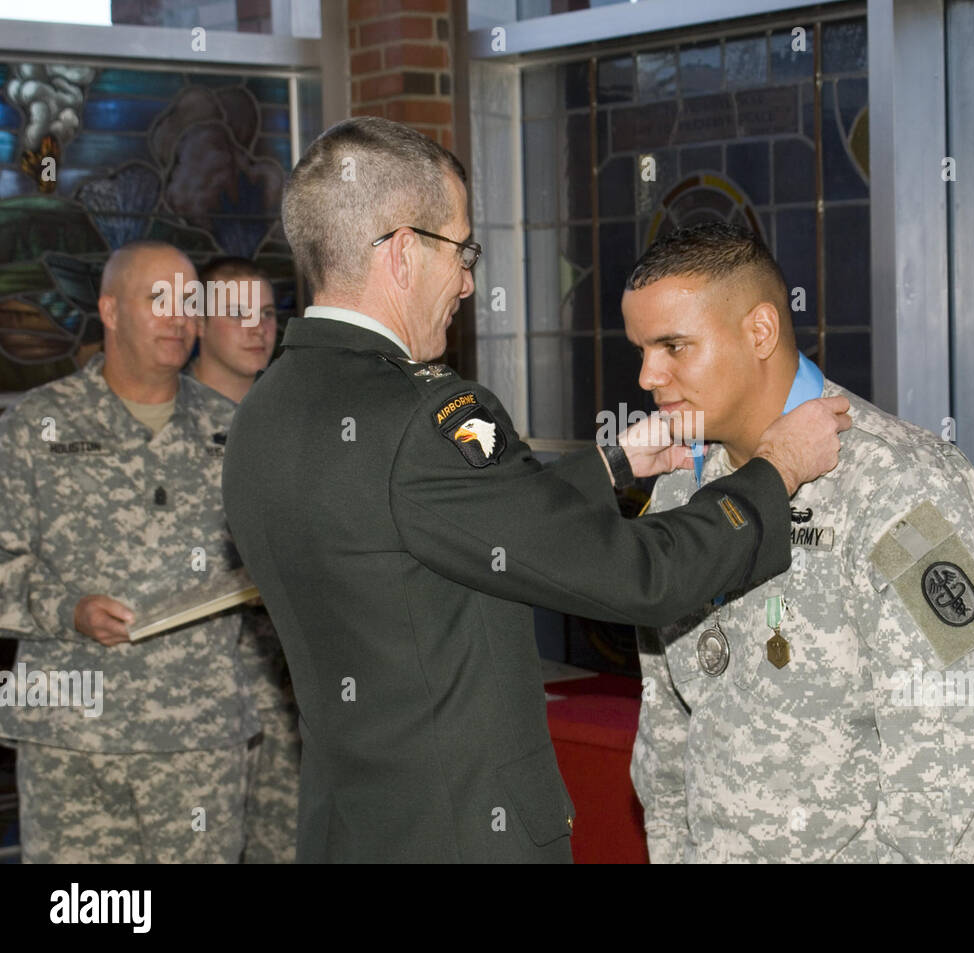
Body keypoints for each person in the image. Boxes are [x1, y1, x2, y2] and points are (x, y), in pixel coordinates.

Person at [221, 116, 851, 863]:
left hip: (350, 832)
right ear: (400, 253)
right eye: (462, 250)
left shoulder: (264, 411)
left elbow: (449, 524)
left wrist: (611, 467)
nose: (465, 280)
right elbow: (643, 576)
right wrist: (774, 469)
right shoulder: (427, 417)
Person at [626, 223, 974, 863]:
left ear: (760, 332)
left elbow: (952, 745)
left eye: (673, 346)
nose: (647, 375)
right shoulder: (676, 491)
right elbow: (668, 720)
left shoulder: (902, 483)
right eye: (641, 348)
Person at [0, 240, 259, 863]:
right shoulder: (35, 427)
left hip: (198, 742)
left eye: (191, 303)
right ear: (110, 310)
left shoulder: (236, 431)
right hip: (71, 741)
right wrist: (68, 609)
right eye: (159, 300)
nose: (180, 318)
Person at [188, 256, 299, 864]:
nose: (259, 328)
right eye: (237, 314)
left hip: (284, 684)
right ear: (198, 322)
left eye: (266, 313)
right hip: (189, 696)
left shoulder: (292, 419)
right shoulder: (163, 426)